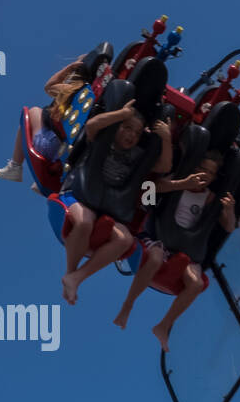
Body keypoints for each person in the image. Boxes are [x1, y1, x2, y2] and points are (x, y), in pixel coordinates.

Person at [113, 150, 236, 350]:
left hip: (184, 249)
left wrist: (229, 211)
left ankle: (164, 326)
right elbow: (150, 188)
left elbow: (229, 227)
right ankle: (128, 305)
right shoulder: (180, 180)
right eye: (201, 168)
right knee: (154, 258)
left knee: (196, 283)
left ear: (214, 177)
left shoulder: (210, 198)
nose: (203, 174)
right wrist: (183, 184)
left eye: (209, 172)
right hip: (159, 238)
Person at [61, 101, 172, 305]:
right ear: (118, 125)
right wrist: (121, 113)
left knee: (125, 240)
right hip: (77, 195)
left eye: (137, 133)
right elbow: (91, 126)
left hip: (108, 206)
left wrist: (165, 138)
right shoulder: (104, 137)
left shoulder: (137, 155)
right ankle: (70, 273)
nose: (131, 135)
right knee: (85, 222)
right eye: (127, 128)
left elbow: (164, 165)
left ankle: (76, 277)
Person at [0, 56, 88, 180]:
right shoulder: (89, 96)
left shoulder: (72, 89)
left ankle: (15, 166)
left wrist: (68, 69)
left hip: (49, 146)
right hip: (69, 152)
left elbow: (49, 86)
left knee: (31, 113)